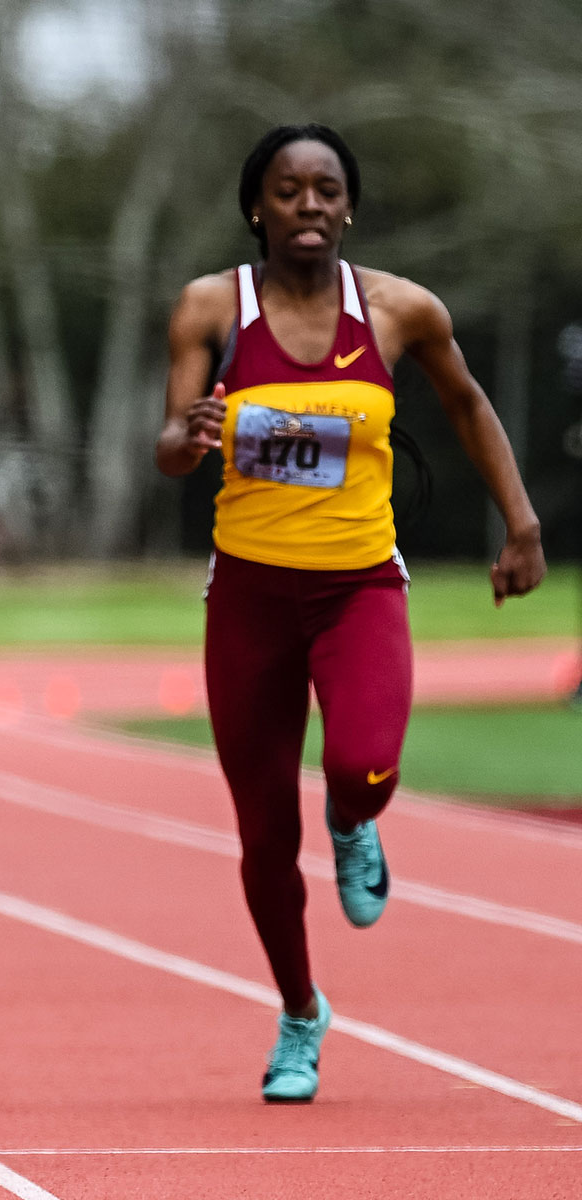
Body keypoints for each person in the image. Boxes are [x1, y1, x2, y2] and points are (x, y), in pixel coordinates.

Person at [156, 123, 545, 1103]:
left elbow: (467, 406)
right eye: (289, 191)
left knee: (363, 762)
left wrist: (523, 525)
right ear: (258, 207)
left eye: (327, 189)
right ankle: (299, 1013)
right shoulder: (211, 306)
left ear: (350, 206)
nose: (310, 206)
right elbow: (169, 441)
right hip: (248, 595)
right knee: (258, 837)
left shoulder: (400, 310)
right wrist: (187, 434)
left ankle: (355, 815)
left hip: (357, 585)